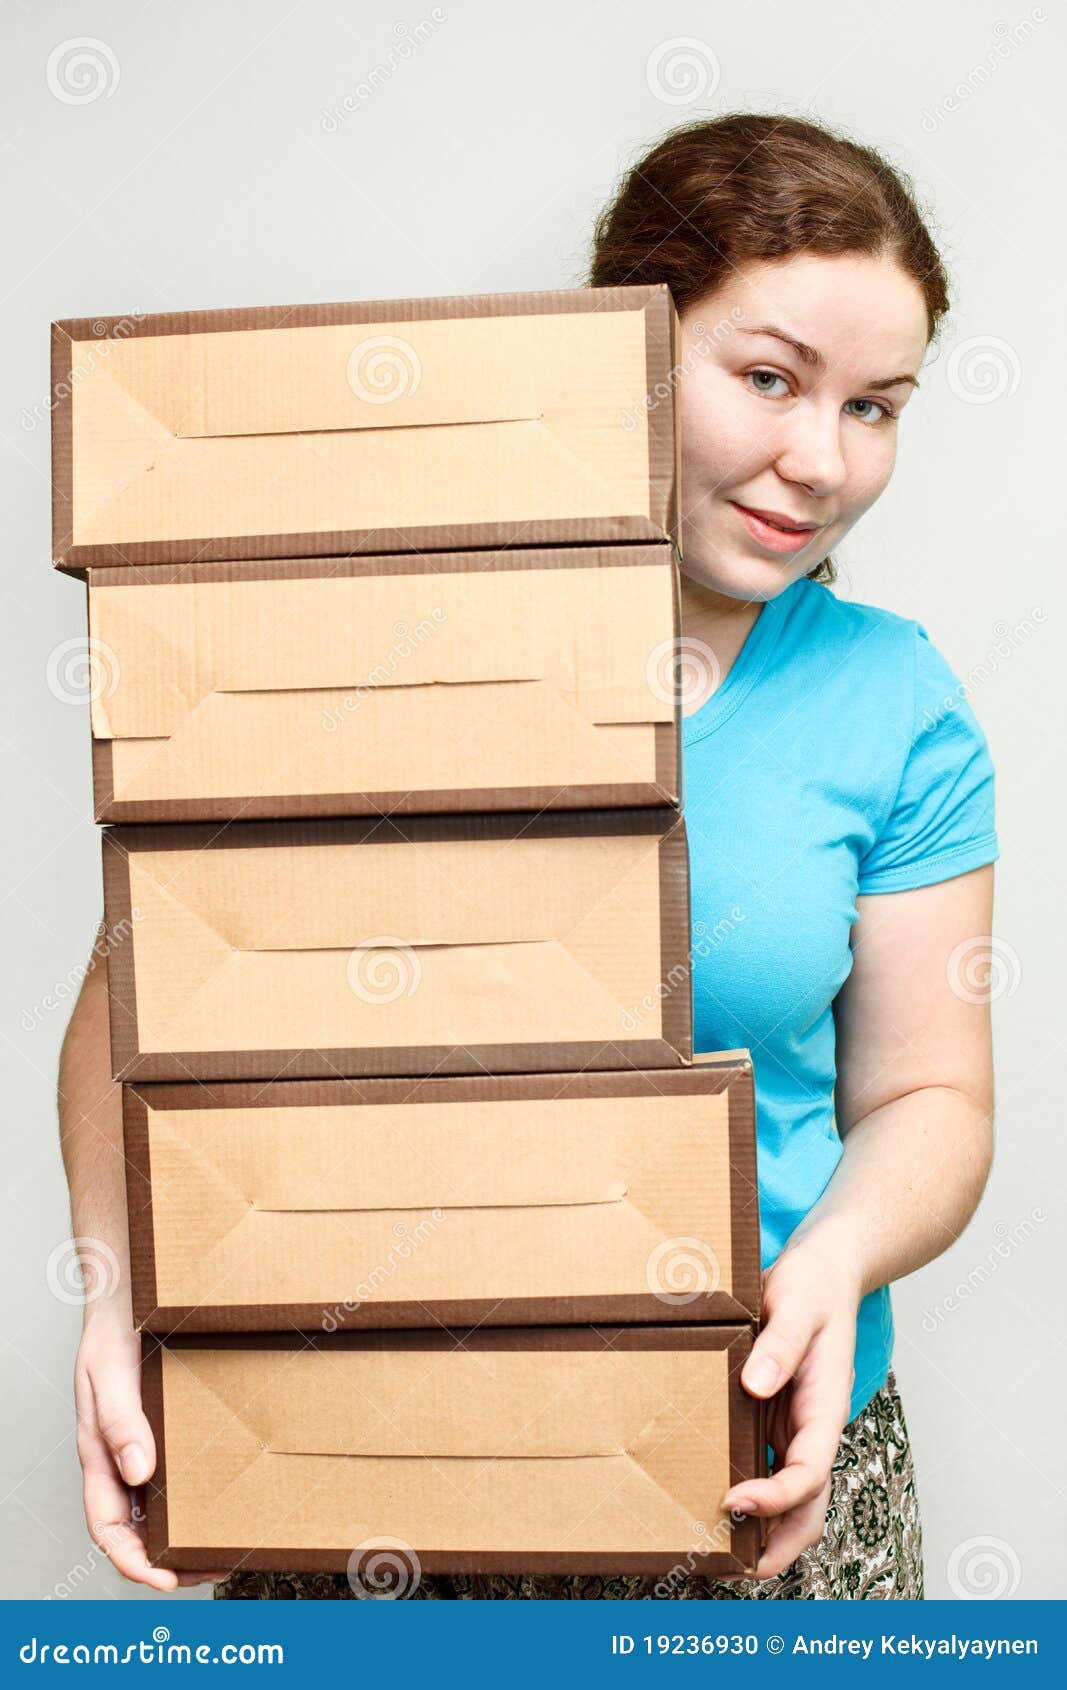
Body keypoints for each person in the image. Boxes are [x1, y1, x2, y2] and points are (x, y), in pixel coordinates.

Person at [59, 112, 998, 1601]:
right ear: (617, 346)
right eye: (768, 379)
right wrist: (121, 1296)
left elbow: (929, 1093)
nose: (820, 459)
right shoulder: (385, 631)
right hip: (372, 1452)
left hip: (761, 1456)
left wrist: (835, 1261)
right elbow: (136, 1012)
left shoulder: (896, 699)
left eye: (876, 405)